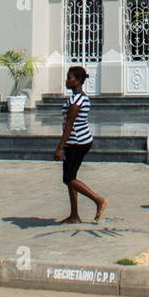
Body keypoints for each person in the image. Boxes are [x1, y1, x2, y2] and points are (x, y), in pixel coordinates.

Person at [54, 66, 107, 224]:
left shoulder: (76, 100)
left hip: (76, 142)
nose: (66, 81)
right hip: (80, 141)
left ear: (77, 81)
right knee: (72, 178)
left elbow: (70, 125)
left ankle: (98, 200)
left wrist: (60, 147)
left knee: (68, 178)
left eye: (69, 78)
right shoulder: (80, 97)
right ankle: (74, 215)